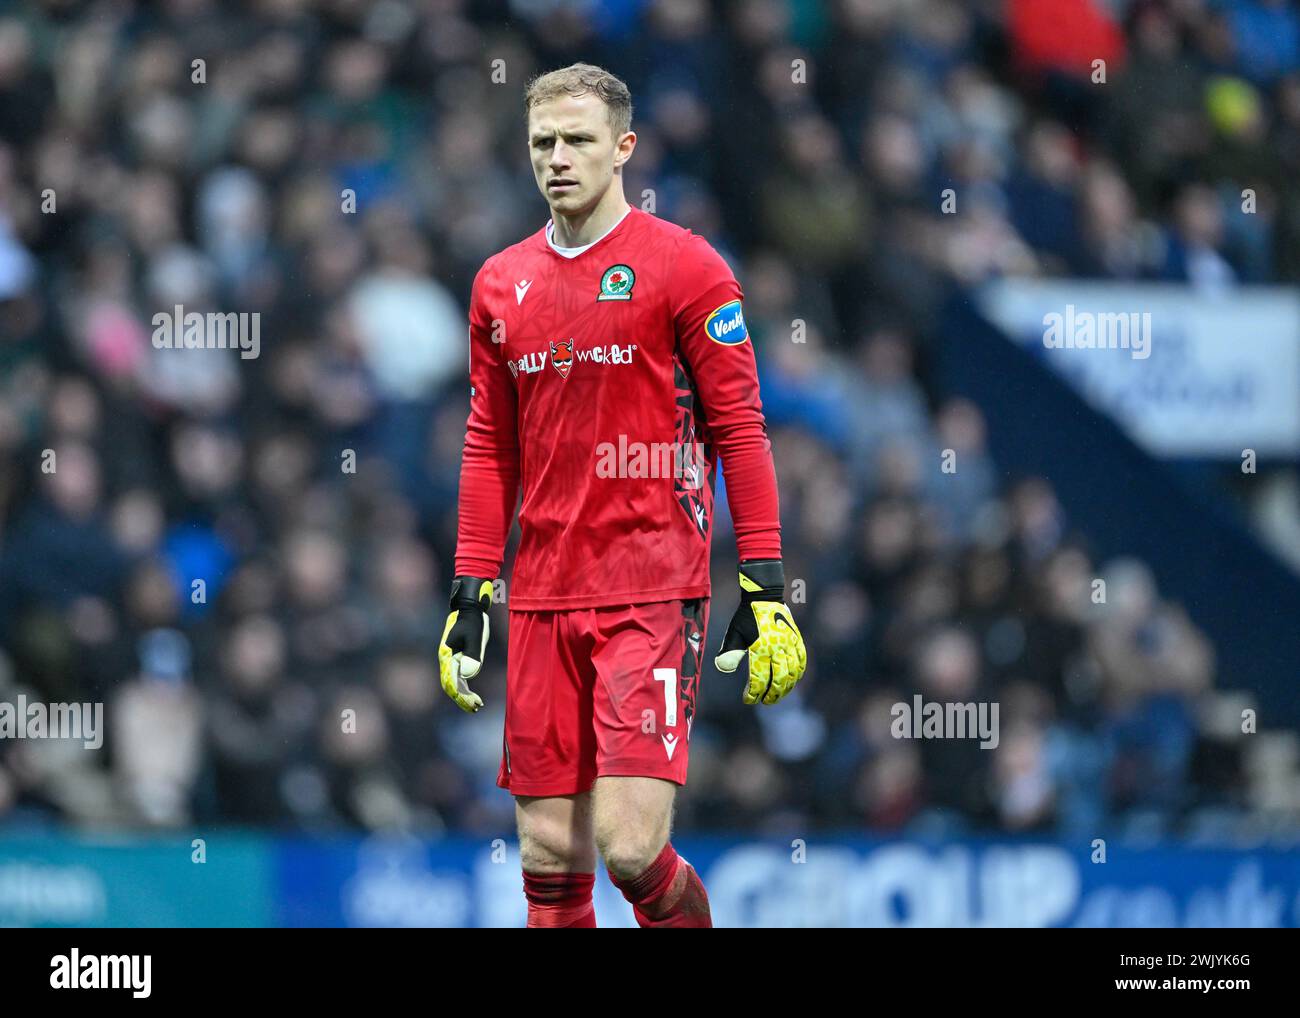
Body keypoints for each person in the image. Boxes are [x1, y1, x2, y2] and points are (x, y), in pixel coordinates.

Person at [437, 63, 807, 928]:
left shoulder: (686, 267)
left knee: (631, 848)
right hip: (538, 595)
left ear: (624, 148)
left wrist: (765, 583)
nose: (557, 158)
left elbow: (742, 432)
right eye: (542, 143)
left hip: (650, 586)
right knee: (548, 860)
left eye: (578, 141)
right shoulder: (500, 284)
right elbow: (490, 444)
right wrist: (471, 586)